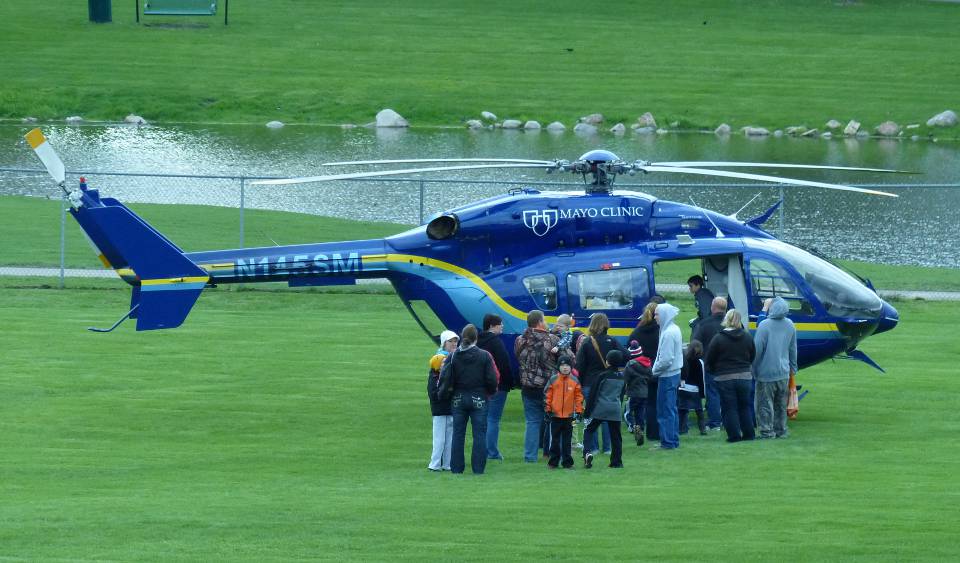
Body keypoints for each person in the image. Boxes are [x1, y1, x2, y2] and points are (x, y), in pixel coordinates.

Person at [448, 324, 499, 474]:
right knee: (479, 434)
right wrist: (489, 393)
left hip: (458, 397)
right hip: (479, 398)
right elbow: (492, 378)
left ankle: (456, 468)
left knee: (458, 434)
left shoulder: (454, 355)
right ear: (476, 338)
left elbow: (447, 377)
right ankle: (478, 469)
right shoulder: (484, 355)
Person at [574, 312, 625, 455]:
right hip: (608, 381)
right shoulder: (612, 341)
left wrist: (581, 382)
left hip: (590, 382)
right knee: (608, 416)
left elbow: (579, 365)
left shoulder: (587, 342)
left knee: (592, 416)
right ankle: (607, 448)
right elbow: (626, 354)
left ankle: (593, 447)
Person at [514, 309, 560, 463]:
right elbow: (569, 359)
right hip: (549, 387)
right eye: (544, 320)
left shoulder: (520, 340)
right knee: (554, 421)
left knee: (532, 422)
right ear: (540, 322)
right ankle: (554, 454)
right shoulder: (552, 340)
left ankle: (530, 456)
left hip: (528, 387)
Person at [704, 309, 756, 443]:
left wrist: (714, 370)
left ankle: (734, 436)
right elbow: (752, 355)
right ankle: (749, 434)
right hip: (744, 376)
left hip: (725, 377)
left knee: (729, 407)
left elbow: (709, 358)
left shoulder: (718, 338)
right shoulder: (747, 337)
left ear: (726, 319)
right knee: (744, 406)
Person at [753, 297, 798, 439]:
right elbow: (793, 349)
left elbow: (757, 349)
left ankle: (767, 432)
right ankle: (781, 430)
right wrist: (793, 367)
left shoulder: (764, 325)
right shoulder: (790, 324)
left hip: (766, 372)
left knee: (764, 404)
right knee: (780, 404)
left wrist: (752, 368)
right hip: (783, 372)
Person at [477, 314, 514, 460]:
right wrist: (510, 382)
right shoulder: (496, 342)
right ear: (492, 325)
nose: (502, 326)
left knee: (483, 419)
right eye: (500, 324)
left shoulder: (478, 341)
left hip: (480, 386)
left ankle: (481, 449)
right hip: (498, 386)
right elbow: (504, 364)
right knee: (493, 419)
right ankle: (491, 451)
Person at [583, 349, 626, 468]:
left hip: (600, 408)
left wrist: (587, 412)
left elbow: (593, 394)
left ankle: (587, 453)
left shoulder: (602, 376)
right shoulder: (622, 377)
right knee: (616, 436)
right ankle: (617, 462)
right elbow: (622, 394)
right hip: (615, 409)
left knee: (589, 430)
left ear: (607, 362)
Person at [692, 296, 728, 430]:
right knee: (727, 393)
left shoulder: (704, 324)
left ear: (713, 307)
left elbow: (695, 345)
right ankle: (727, 420)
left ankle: (714, 422)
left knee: (713, 393)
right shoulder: (733, 323)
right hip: (729, 365)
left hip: (711, 364)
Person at [652, 303, 684, 450]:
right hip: (673, 374)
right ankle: (672, 439)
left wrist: (653, 371)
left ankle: (668, 442)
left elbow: (665, 359)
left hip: (667, 375)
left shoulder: (669, 333)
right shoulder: (673, 329)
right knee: (671, 409)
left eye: (657, 314)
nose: (655, 317)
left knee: (665, 410)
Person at [426, 330, 458, 471]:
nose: (454, 344)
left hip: (450, 404)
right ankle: (435, 464)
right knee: (440, 437)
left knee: (449, 436)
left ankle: (447, 463)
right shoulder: (439, 359)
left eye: (455, 341)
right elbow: (434, 386)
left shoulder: (453, 358)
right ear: (444, 343)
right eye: (450, 341)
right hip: (440, 405)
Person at [544, 355, 584, 469]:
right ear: (558, 367)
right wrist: (547, 410)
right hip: (555, 415)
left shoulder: (575, 381)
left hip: (569, 416)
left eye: (567, 365)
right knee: (555, 441)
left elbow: (579, 398)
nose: (565, 368)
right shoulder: (553, 380)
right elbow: (547, 396)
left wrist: (579, 411)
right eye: (562, 365)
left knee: (567, 441)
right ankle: (553, 462)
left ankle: (567, 462)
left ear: (571, 367)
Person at [630, 301, 661, 442]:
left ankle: (639, 425)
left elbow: (629, 350)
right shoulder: (661, 331)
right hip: (656, 370)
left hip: (639, 370)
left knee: (640, 403)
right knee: (654, 403)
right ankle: (654, 433)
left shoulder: (637, 331)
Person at [623, 340, 653, 446]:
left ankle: (633, 427)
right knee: (640, 413)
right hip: (644, 393)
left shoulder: (630, 364)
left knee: (627, 413)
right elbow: (650, 377)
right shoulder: (648, 363)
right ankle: (640, 428)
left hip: (633, 393)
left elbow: (625, 378)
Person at [678, 340, 707, 435]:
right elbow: (701, 380)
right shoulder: (700, 362)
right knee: (699, 411)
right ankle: (702, 429)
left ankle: (682, 429)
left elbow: (680, 374)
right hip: (695, 390)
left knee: (682, 410)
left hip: (683, 388)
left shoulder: (683, 360)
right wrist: (702, 394)